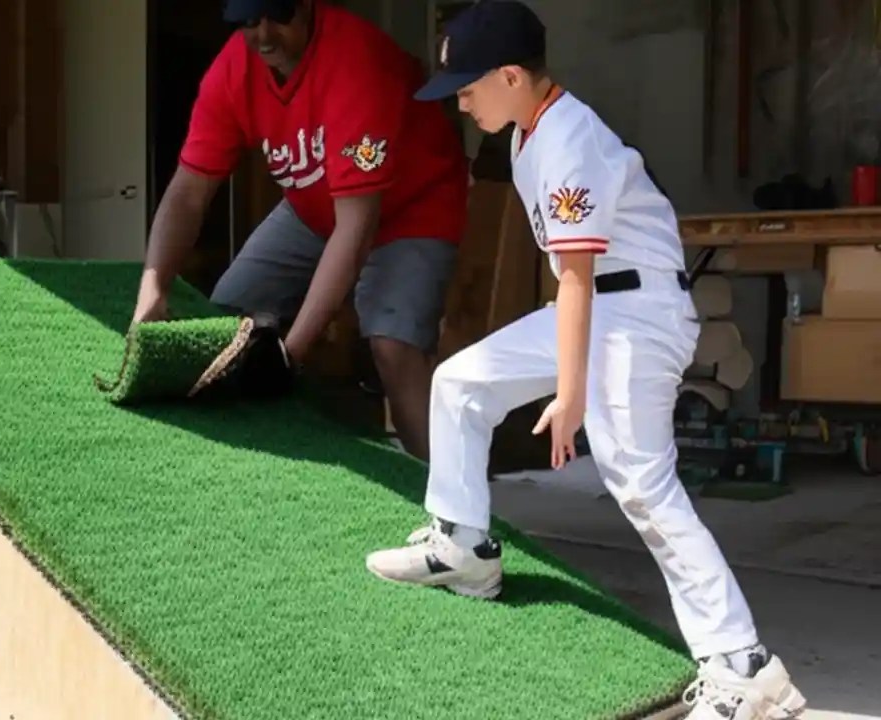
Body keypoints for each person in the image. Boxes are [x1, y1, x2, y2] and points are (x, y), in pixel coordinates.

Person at [362, 2, 807, 718]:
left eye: (468, 87)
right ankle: (465, 545)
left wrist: (569, 395)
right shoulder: (524, 133)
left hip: (639, 317)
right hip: (602, 307)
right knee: (459, 384)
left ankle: (745, 668)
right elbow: (572, 287)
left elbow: (573, 278)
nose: (461, 101)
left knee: (641, 483)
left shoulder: (569, 141)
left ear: (512, 75)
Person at [130, 0, 469, 460]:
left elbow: (356, 229)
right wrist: (152, 290)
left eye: (277, 16)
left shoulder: (356, 63)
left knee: (393, 346)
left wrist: (291, 353)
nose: (264, 35)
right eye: (248, 21)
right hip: (314, 206)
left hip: (411, 208)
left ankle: (453, 506)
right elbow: (188, 192)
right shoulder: (233, 70)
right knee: (227, 317)